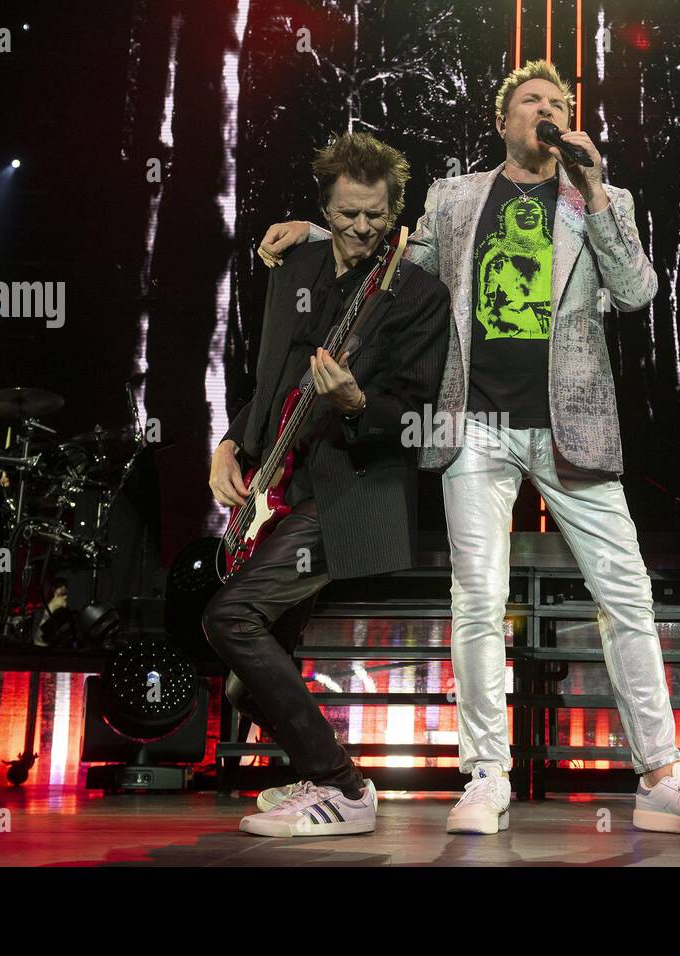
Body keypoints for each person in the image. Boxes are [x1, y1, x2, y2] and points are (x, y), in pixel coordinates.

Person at [259, 61, 680, 837]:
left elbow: (638, 290)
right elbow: (393, 270)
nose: (547, 111)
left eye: (559, 103)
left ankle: (662, 776)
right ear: (503, 122)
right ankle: (486, 776)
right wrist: (322, 232)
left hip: (571, 424)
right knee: (476, 602)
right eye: (532, 102)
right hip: (473, 422)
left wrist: (595, 187)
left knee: (626, 596)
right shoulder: (455, 198)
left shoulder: (601, 201)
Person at [203, 131, 451, 837]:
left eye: (375, 215)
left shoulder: (416, 295)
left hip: (350, 492)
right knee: (244, 679)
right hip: (276, 481)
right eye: (347, 214)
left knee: (230, 618)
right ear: (325, 207)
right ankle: (322, 777)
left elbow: (417, 418)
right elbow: (273, 374)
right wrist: (231, 443)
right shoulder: (297, 262)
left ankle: (343, 789)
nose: (362, 229)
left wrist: (355, 404)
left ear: (394, 211)